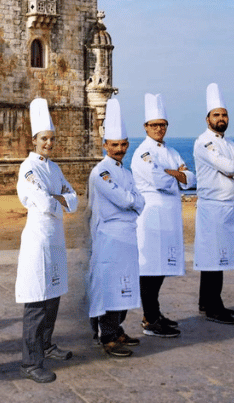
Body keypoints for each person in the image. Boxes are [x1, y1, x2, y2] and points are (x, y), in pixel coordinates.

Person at [14, 98, 79, 384]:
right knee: (37, 302)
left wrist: (61, 199)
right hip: (38, 239)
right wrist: (59, 200)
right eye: (44, 138)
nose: (49, 144)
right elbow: (41, 201)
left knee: (53, 297)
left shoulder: (54, 169)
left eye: (52, 139)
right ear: (34, 139)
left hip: (56, 238)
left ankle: (47, 345)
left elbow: (74, 199)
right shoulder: (28, 168)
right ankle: (30, 362)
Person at [131, 93, 194, 338]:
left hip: (170, 215)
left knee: (162, 269)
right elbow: (156, 178)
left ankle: (155, 313)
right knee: (150, 269)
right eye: (154, 125)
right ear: (146, 127)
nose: (159, 129)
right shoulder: (142, 153)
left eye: (163, 125)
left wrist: (175, 174)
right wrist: (176, 175)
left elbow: (190, 178)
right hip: (152, 215)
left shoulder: (172, 151)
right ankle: (149, 319)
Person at [87, 97, 144, 358]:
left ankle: (117, 328)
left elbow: (140, 202)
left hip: (128, 236)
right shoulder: (101, 172)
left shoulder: (127, 171)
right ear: (105, 145)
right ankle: (107, 336)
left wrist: (130, 201)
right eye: (114, 145)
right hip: (109, 237)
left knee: (126, 285)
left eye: (123, 145)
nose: (119, 149)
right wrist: (130, 201)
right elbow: (124, 199)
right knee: (110, 287)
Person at [193, 83, 234, 326]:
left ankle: (208, 303)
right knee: (212, 259)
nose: (221, 118)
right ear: (207, 118)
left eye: (224, 114)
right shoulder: (203, 142)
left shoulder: (231, 145)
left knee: (220, 259)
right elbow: (231, 167)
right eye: (216, 115)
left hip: (229, 207)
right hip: (212, 207)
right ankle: (212, 307)